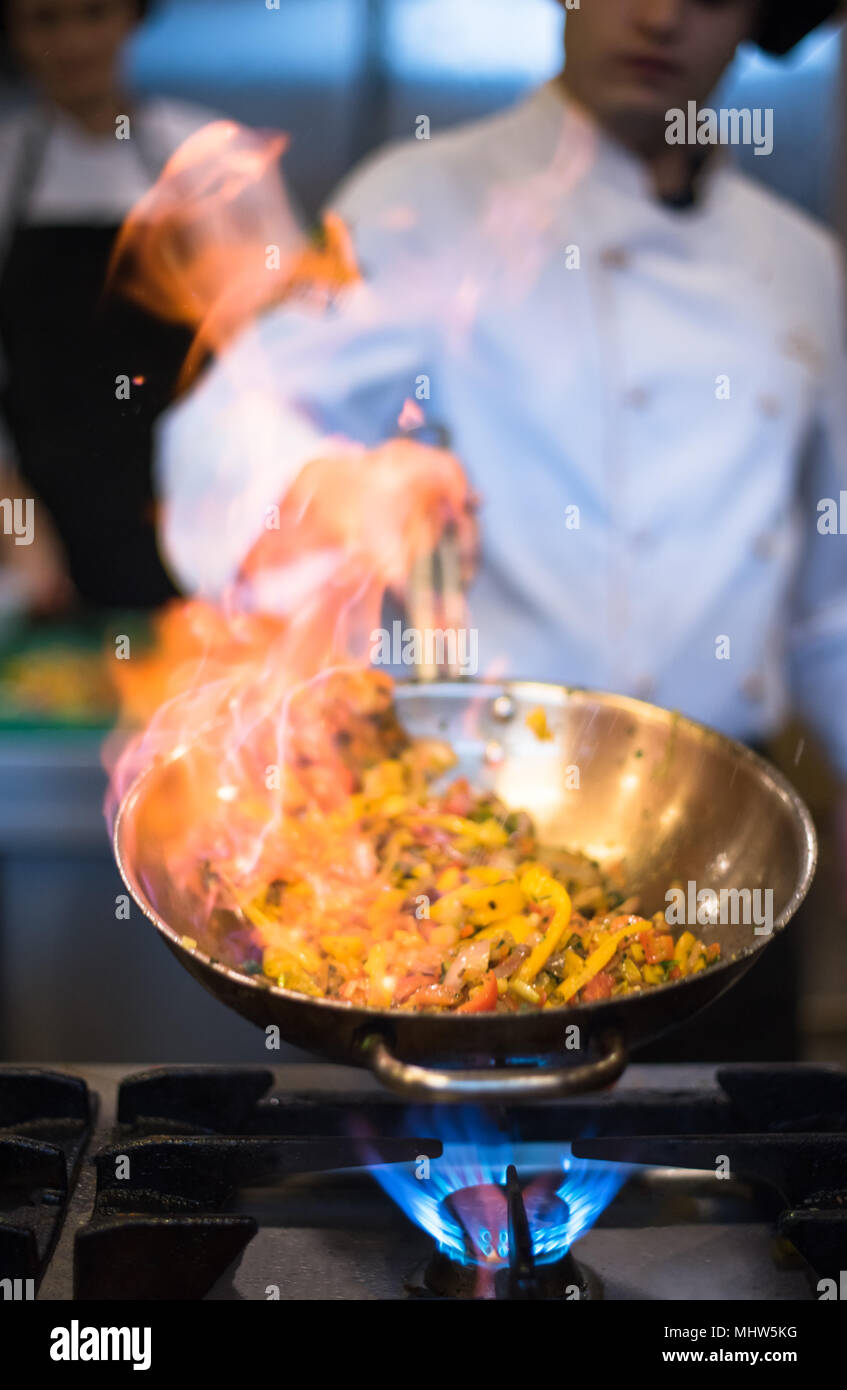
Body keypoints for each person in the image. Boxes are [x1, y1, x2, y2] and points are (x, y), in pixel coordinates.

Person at [158, 0, 846, 1059]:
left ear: (764, 16)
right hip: (471, 848)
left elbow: (829, 605)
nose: (659, 13)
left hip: (718, 861)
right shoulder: (423, 198)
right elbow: (221, 430)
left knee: (737, 1208)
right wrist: (336, 486)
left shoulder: (801, 266)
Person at [0, 0, 219, 612]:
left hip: (192, 505)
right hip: (42, 524)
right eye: (44, 21)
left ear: (132, 18)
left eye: (92, 14)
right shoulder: (4, 165)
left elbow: (268, 354)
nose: (71, 42)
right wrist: (19, 532)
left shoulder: (205, 158)